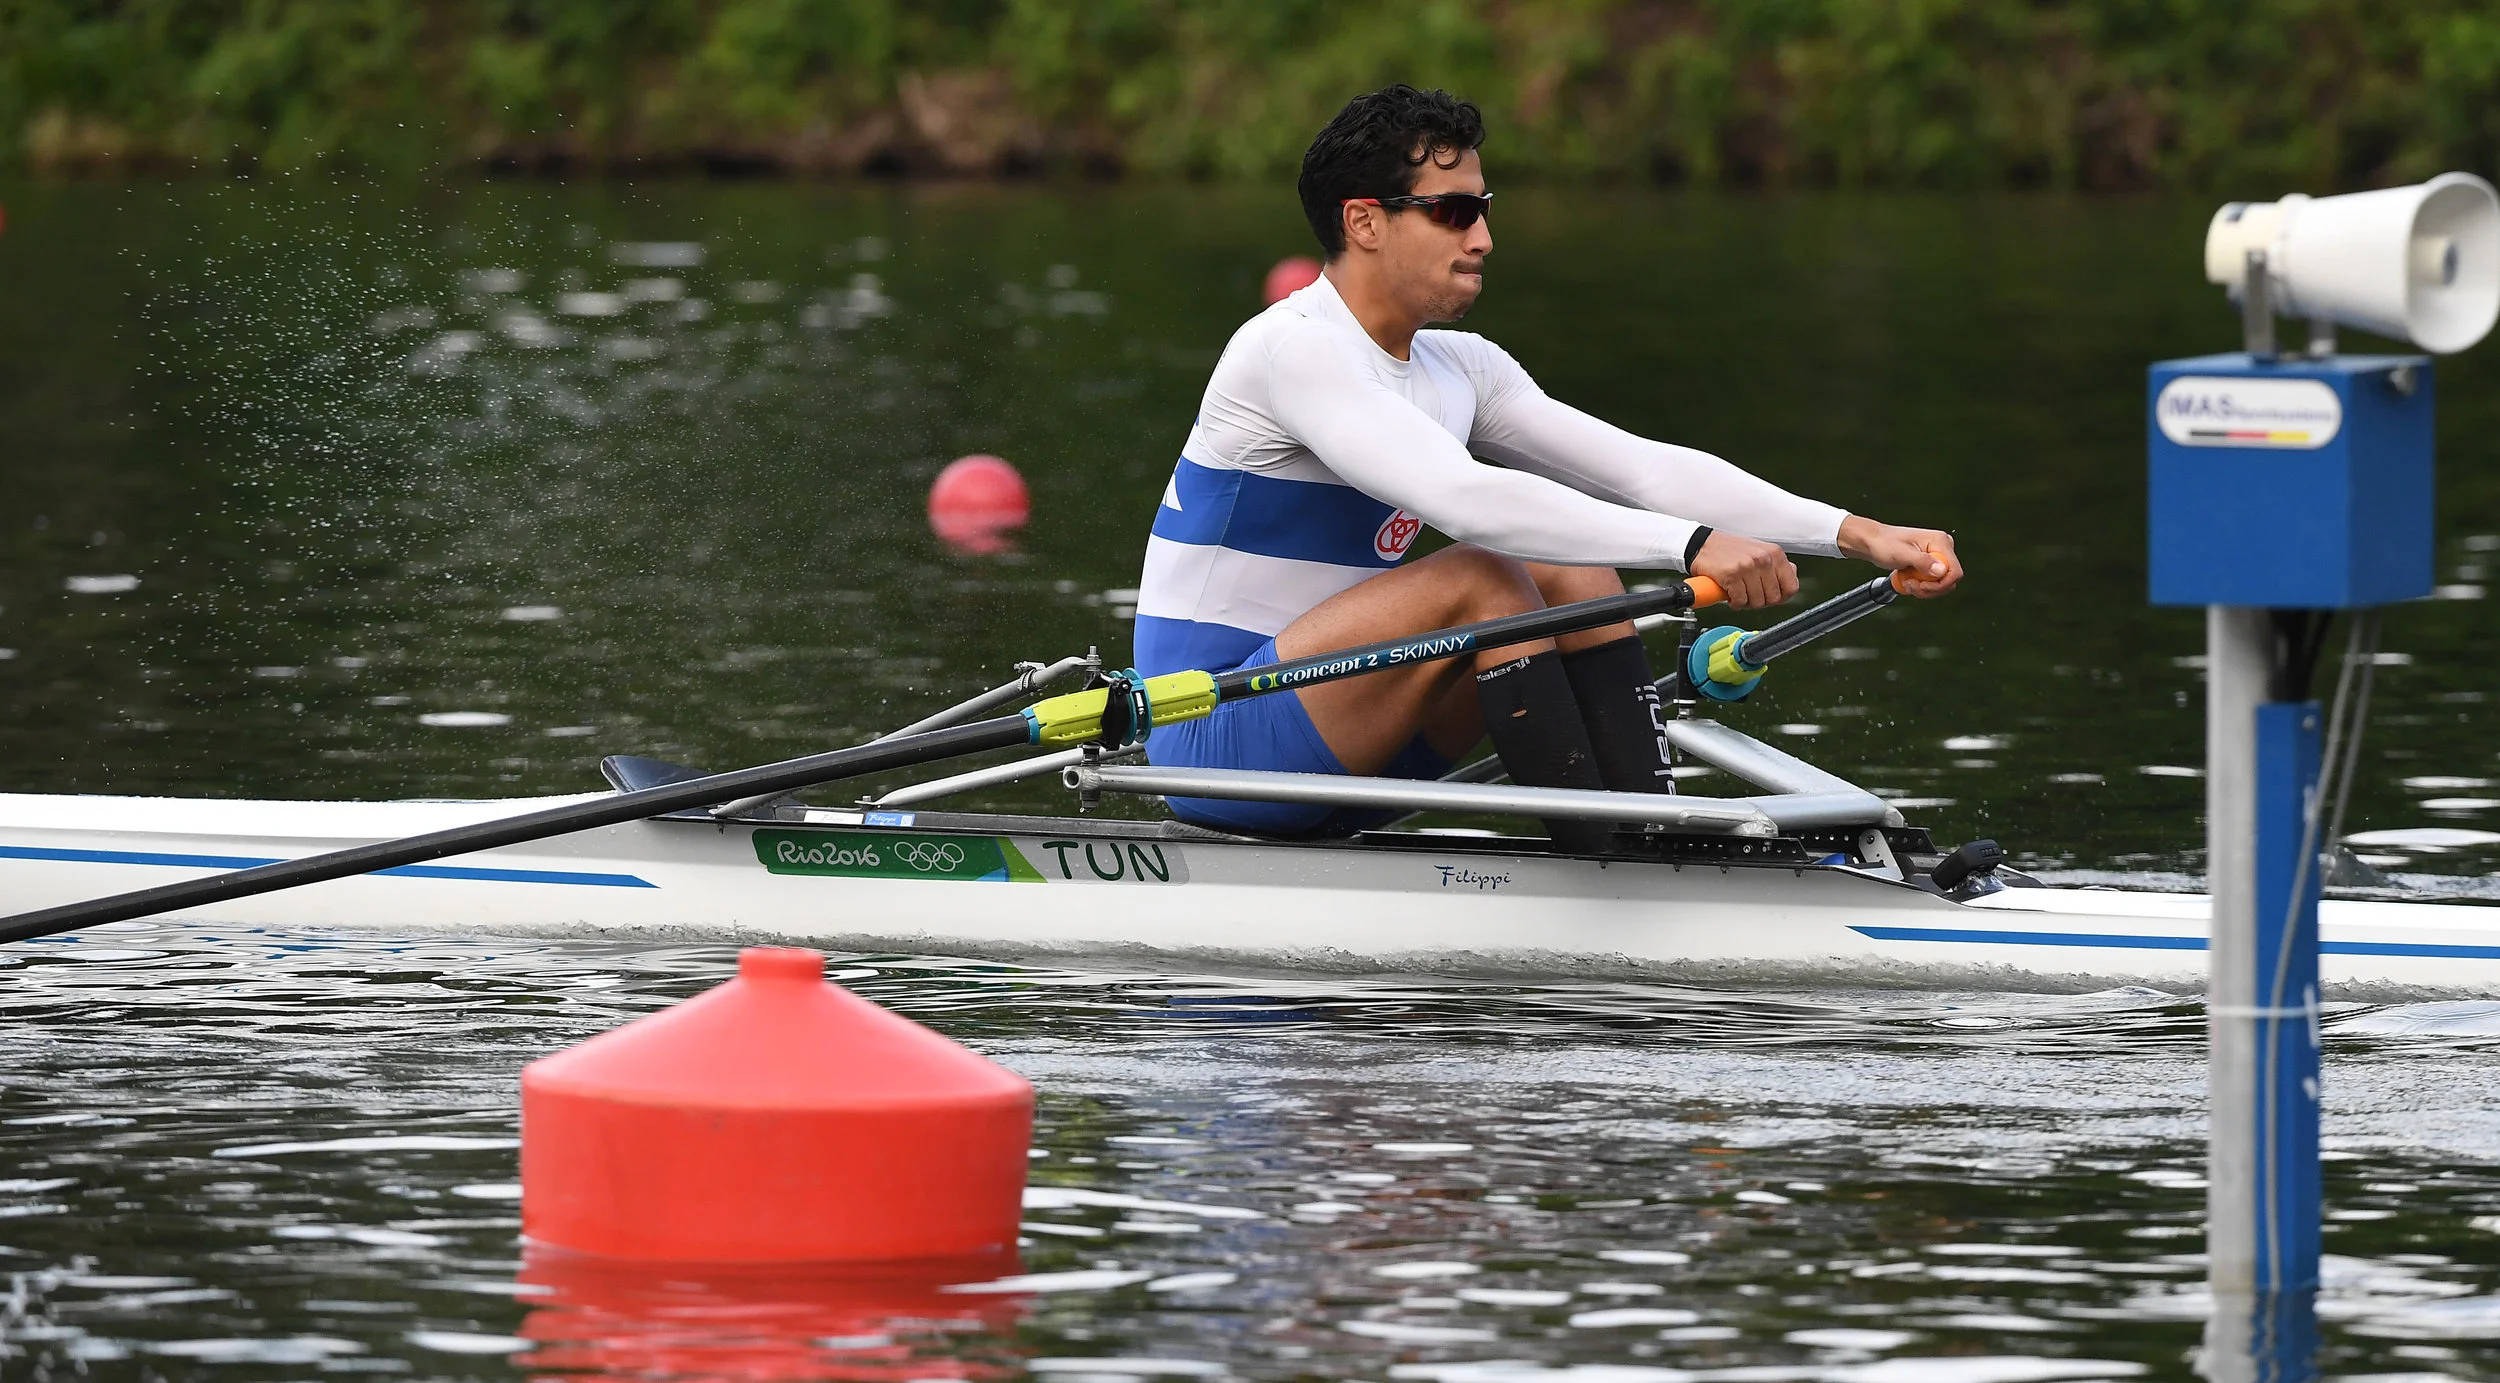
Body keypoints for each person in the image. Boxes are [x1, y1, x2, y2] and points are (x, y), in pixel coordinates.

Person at [1131, 84, 1962, 849]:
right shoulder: (1292, 350)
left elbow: (1641, 470)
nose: (1485, 236)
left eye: (1483, 208)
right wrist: (1695, 546)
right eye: (1455, 211)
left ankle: (1641, 832)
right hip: (1210, 733)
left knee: (1572, 571)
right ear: (1365, 222)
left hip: (1343, 728)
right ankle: (1612, 862)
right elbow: (1466, 499)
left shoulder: (1464, 369)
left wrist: (1856, 533)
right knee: (1490, 573)